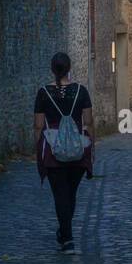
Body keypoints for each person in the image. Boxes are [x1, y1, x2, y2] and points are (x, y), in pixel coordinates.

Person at [34, 52, 94, 253]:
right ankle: (65, 233)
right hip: (78, 149)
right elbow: (89, 121)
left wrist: (38, 147)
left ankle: (67, 238)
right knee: (71, 193)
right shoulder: (81, 91)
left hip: (53, 150)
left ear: (52, 69)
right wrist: (91, 147)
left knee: (60, 194)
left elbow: (38, 125)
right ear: (70, 68)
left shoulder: (43, 93)